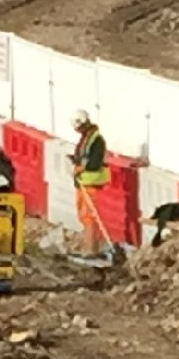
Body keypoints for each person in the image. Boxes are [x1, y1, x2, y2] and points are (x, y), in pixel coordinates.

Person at [71, 110, 113, 261]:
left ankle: (91, 250)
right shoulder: (86, 138)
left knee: (89, 216)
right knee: (83, 216)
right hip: (83, 181)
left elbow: (94, 162)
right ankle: (88, 247)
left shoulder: (96, 140)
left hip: (91, 182)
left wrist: (81, 168)